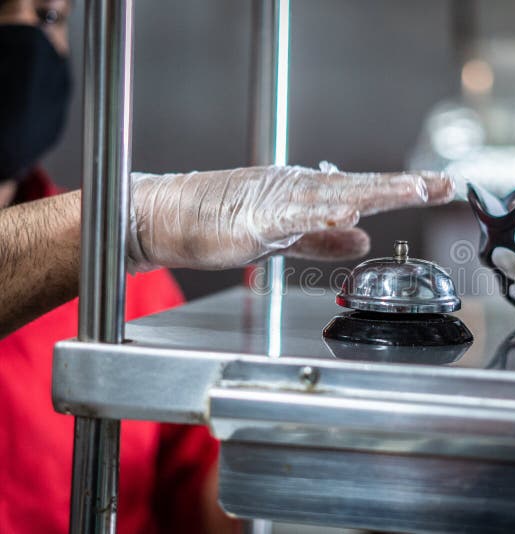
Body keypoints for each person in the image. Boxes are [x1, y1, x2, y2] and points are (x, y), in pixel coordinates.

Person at [0, 1, 455, 533]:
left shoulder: (127, 294)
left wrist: (311, 460)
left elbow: (195, 495)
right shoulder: (114, 245)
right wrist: (129, 222)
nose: (24, 40)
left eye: (49, 16)